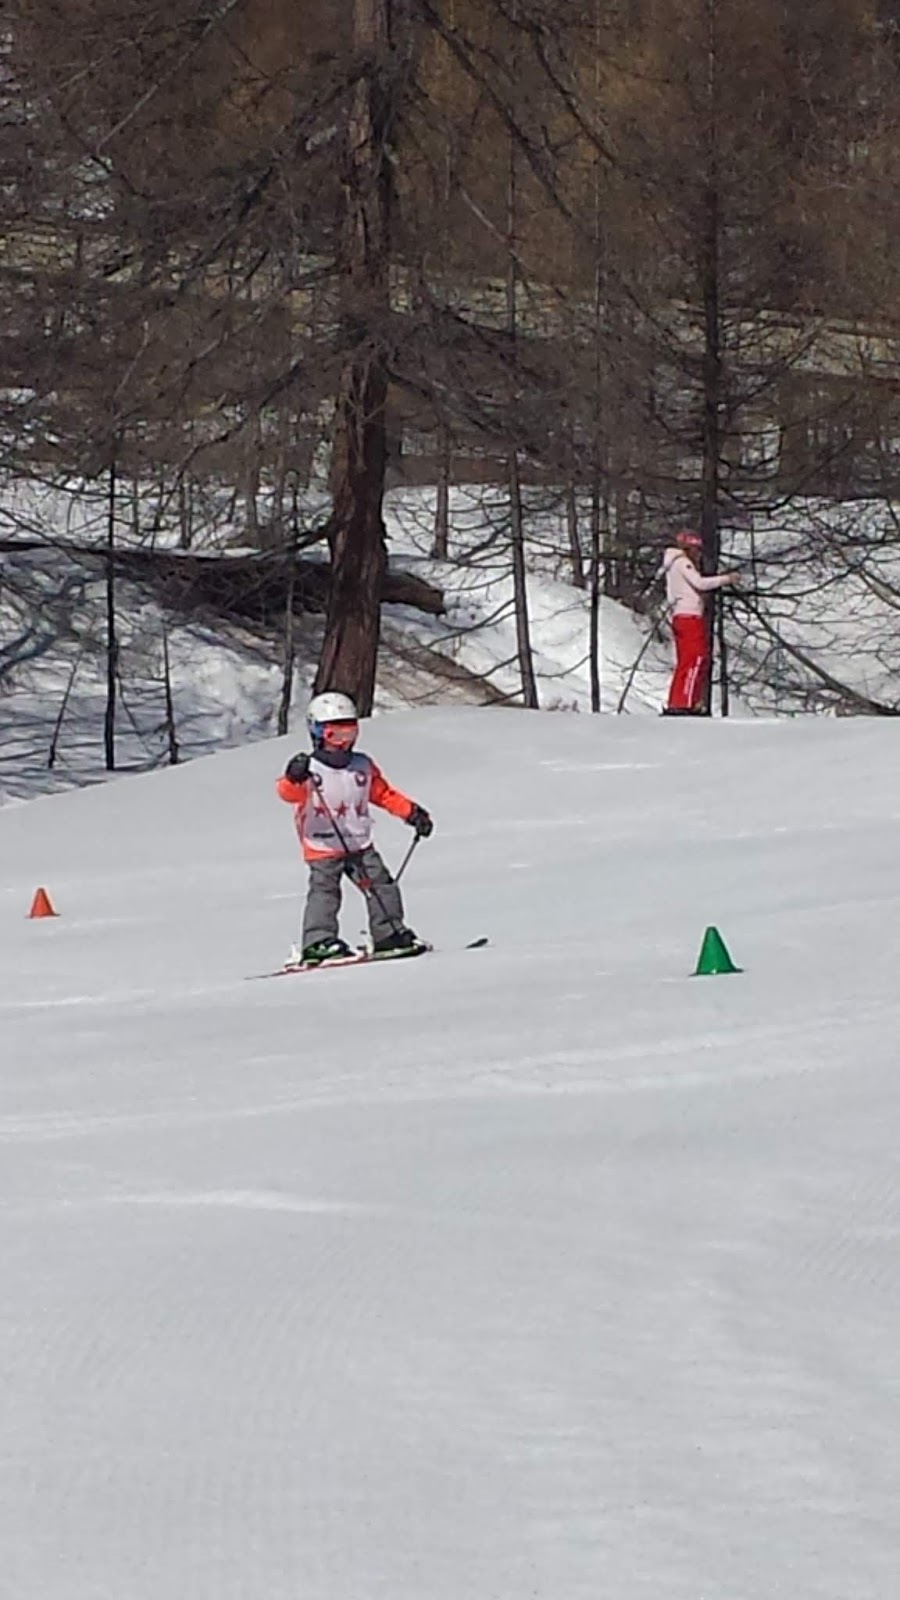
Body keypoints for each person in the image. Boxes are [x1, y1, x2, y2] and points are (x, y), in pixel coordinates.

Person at [276, 691, 433, 966]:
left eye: (349, 734)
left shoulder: (362, 765)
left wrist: (411, 813)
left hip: (359, 843)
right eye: (335, 735)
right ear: (317, 732)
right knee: (325, 891)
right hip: (323, 844)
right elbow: (288, 794)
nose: (342, 744)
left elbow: (383, 794)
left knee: (382, 884)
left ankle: (388, 933)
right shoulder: (310, 769)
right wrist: (293, 776)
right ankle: (318, 940)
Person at [660, 530, 739, 715]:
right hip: (689, 617)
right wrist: (726, 579)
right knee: (695, 659)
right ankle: (686, 702)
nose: (698, 554)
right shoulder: (683, 563)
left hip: (681, 616)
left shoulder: (673, 565)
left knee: (685, 661)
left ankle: (680, 700)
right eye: (696, 549)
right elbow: (700, 583)